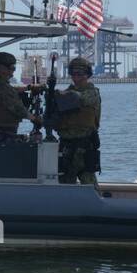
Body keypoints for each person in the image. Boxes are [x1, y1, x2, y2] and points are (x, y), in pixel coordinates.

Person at [55, 56, 102, 184]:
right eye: (73, 73)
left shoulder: (92, 93)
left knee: (88, 181)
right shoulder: (66, 93)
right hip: (66, 146)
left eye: (79, 73)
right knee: (64, 182)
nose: (76, 77)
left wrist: (62, 95)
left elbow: (81, 98)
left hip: (84, 145)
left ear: (87, 75)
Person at [0, 51, 41, 142]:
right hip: (3, 135)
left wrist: (28, 87)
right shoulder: (2, 88)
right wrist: (35, 119)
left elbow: (11, 89)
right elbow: (18, 109)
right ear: (2, 68)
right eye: (12, 68)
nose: (12, 72)